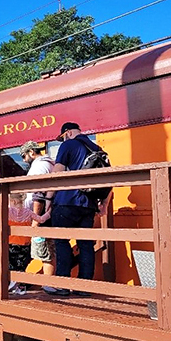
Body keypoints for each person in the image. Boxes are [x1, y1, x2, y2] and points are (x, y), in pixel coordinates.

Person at [44, 122, 110, 296]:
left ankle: (62, 285)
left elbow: (57, 175)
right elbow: (109, 178)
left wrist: (48, 199)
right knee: (86, 244)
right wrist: (104, 204)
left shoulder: (68, 145)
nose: (61, 140)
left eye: (61, 137)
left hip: (66, 200)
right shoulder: (97, 148)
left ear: (67, 132)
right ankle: (84, 286)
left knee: (62, 241)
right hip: (88, 204)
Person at [0, 201, 51, 294]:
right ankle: (18, 287)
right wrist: (49, 212)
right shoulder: (28, 212)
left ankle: (4, 291)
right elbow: (41, 219)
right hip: (24, 245)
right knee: (20, 268)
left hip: (10, 244)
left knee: (1, 273)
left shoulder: (7, 211)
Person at [19, 140, 57, 276]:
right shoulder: (49, 164)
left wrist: (36, 220)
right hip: (46, 214)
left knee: (45, 252)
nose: (23, 160)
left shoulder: (39, 166)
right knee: (47, 250)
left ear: (31, 152)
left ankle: (49, 284)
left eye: (23, 156)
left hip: (41, 217)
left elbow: (38, 195)